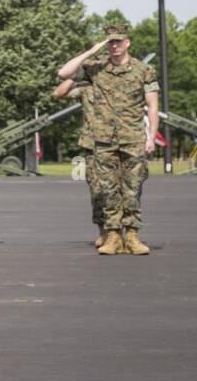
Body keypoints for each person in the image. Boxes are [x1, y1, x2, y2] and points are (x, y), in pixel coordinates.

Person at [57, 24, 159, 255]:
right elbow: (63, 74)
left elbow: (152, 106)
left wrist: (151, 137)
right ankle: (112, 236)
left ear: (127, 43)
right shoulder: (96, 68)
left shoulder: (144, 70)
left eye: (118, 41)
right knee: (108, 190)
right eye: (111, 42)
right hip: (103, 140)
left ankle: (132, 236)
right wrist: (93, 50)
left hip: (133, 137)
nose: (114, 46)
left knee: (133, 189)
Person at [54, 76, 104, 247]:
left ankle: (127, 231)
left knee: (125, 190)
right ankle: (105, 231)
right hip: (94, 145)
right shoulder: (86, 88)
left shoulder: (123, 83)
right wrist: (76, 76)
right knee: (97, 190)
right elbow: (60, 93)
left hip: (121, 143)